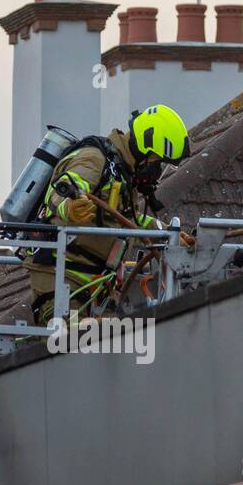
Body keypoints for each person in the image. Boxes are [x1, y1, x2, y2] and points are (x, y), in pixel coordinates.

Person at [24, 104, 190, 323]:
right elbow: (61, 189)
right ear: (145, 148)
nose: (157, 173)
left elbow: (129, 220)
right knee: (72, 346)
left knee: (113, 345)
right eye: (159, 164)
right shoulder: (95, 160)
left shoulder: (122, 174)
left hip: (97, 287)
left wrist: (170, 234)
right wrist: (70, 206)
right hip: (64, 280)